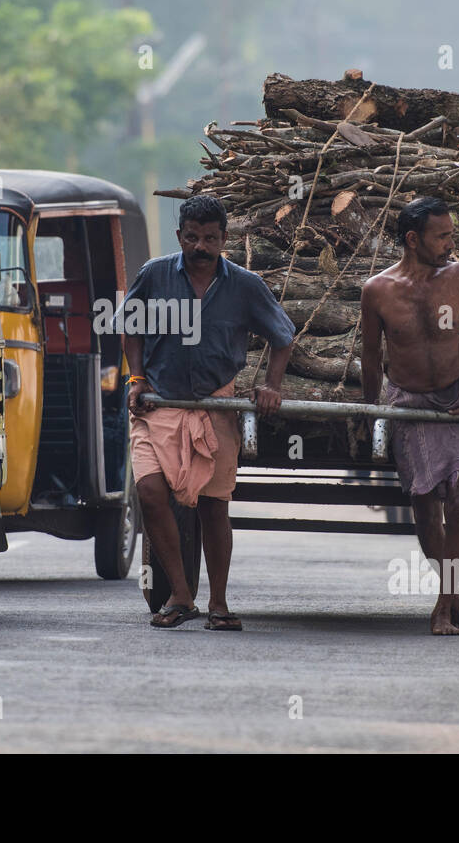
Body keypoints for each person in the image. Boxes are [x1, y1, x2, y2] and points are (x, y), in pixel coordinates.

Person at [125, 195, 296, 630]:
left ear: (225, 238)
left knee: (213, 506)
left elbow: (283, 337)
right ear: (179, 236)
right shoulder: (155, 274)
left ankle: (218, 602)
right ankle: (180, 595)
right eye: (192, 237)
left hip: (217, 407)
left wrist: (271, 386)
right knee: (149, 492)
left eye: (210, 238)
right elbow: (130, 326)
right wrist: (136, 379)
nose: (200, 246)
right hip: (159, 404)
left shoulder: (245, 284)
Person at [359, 197, 459, 635]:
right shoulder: (377, 291)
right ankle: (453, 592)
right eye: (441, 236)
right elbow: (369, 359)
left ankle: (446, 603)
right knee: (424, 506)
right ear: (412, 239)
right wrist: (372, 417)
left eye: (451, 234)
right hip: (410, 403)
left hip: (458, 398)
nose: (449, 244)